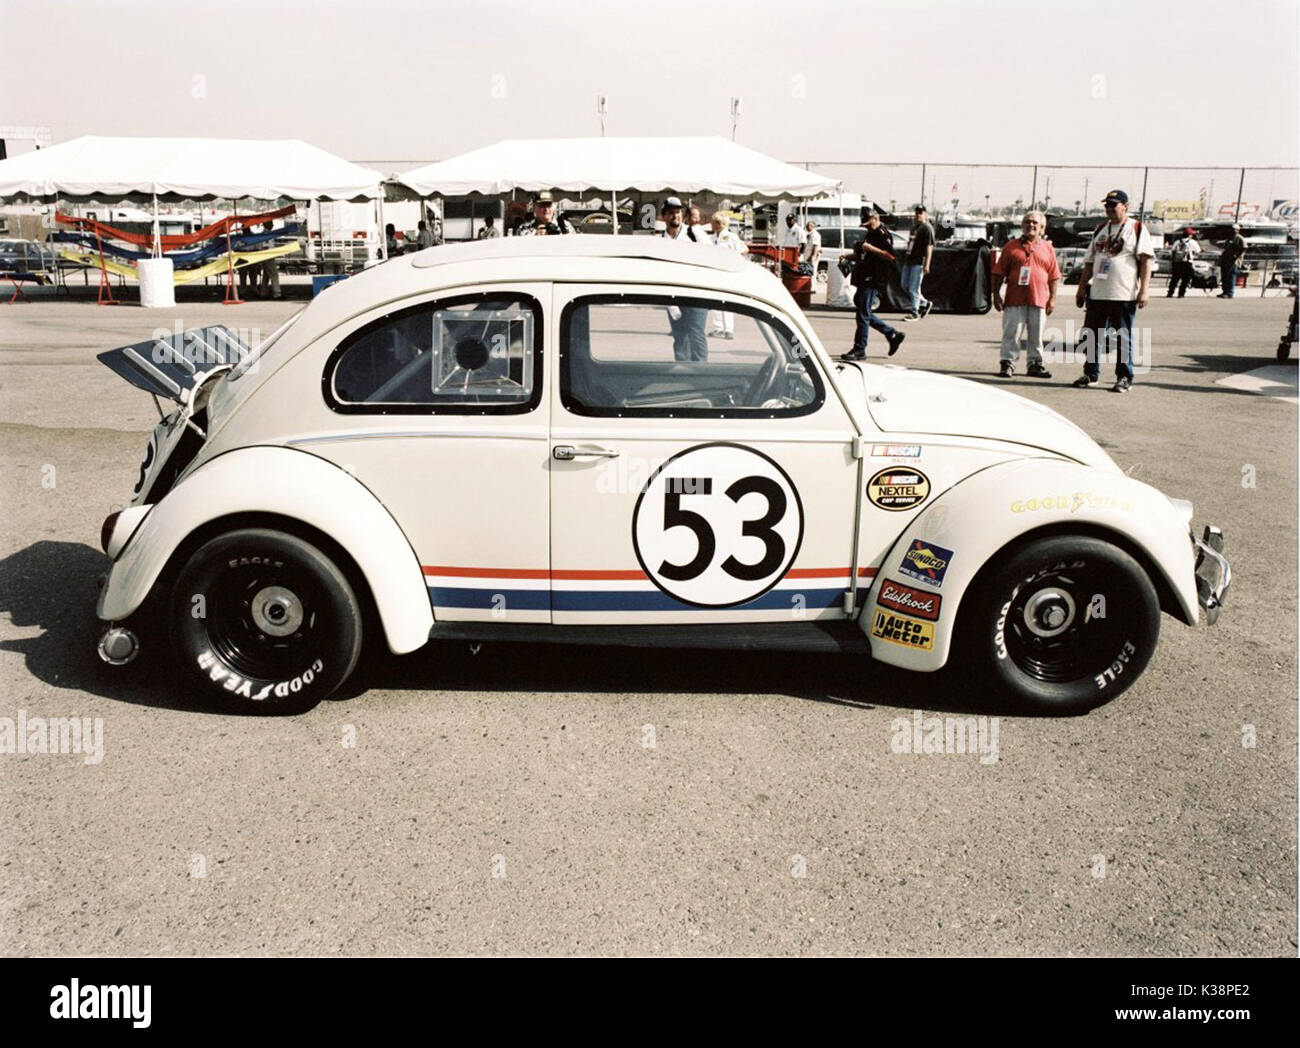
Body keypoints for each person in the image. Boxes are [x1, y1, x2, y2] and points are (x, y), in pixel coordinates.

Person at [1072, 189, 1154, 393]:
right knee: (1092, 335)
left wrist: (1144, 290)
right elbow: (1090, 262)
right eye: (1106, 205)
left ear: (1125, 206)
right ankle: (1091, 373)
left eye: (1113, 205)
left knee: (1123, 336)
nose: (1109, 208)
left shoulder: (1137, 228)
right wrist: (1082, 288)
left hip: (1123, 294)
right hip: (1098, 293)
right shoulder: (1101, 228)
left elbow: (1145, 261)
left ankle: (1124, 376)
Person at [991, 210, 1059, 378]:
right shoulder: (1010, 247)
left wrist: (1053, 298)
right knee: (1011, 333)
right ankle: (1008, 363)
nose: (1031, 225)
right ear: (1022, 226)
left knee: (1036, 336)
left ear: (1042, 228)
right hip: (1015, 299)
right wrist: (996, 295)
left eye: (1035, 223)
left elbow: (1054, 276)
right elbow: (998, 273)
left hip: (1039, 299)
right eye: (1027, 222)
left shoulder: (1048, 248)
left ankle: (1035, 364)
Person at [840, 209, 905, 360]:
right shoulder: (870, 233)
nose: (866, 226)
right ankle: (891, 333)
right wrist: (848, 256)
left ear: (875, 218)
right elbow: (863, 254)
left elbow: (890, 256)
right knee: (863, 309)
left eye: (868, 223)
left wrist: (871, 248)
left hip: (874, 278)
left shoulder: (883, 234)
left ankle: (859, 349)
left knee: (863, 313)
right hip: (865, 277)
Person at [658, 196, 708, 360]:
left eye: (678, 212)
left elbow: (712, 257)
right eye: (671, 213)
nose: (675, 216)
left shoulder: (694, 234)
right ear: (664, 216)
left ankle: (702, 375)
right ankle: (683, 372)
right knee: (680, 337)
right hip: (674, 297)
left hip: (696, 294)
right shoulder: (660, 241)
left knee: (696, 335)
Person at [707, 213, 748, 339]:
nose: (711, 224)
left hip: (727, 273)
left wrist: (734, 263)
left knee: (727, 300)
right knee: (715, 300)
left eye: (713, 222)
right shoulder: (712, 238)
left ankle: (728, 329)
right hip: (715, 272)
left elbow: (744, 250)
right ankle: (718, 327)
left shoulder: (731, 236)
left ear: (719, 224)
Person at [900, 205, 934, 320]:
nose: (918, 215)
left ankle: (914, 312)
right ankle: (924, 303)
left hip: (919, 261)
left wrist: (927, 264)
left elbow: (929, 247)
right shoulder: (914, 227)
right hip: (909, 260)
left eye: (921, 212)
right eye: (917, 212)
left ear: (925, 214)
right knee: (904, 285)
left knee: (913, 288)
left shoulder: (927, 228)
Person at [1167, 227, 1200, 298]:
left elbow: (1172, 251)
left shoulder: (1177, 241)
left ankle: (1170, 293)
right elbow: (1198, 251)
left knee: (1174, 279)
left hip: (1177, 263)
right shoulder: (1192, 242)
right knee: (1185, 279)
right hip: (1187, 262)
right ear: (1189, 235)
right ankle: (1181, 294)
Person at [1217, 223, 1247, 298]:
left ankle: (1230, 293)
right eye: (1231, 229)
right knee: (1224, 276)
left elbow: (1244, 247)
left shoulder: (1239, 238)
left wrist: (1236, 255)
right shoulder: (1230, 238)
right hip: (1225, 260)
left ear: (1238, 230)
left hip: (1233, 261)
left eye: (1234, 229)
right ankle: (1225, 291)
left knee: (1230, 276)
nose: (1232, 231)